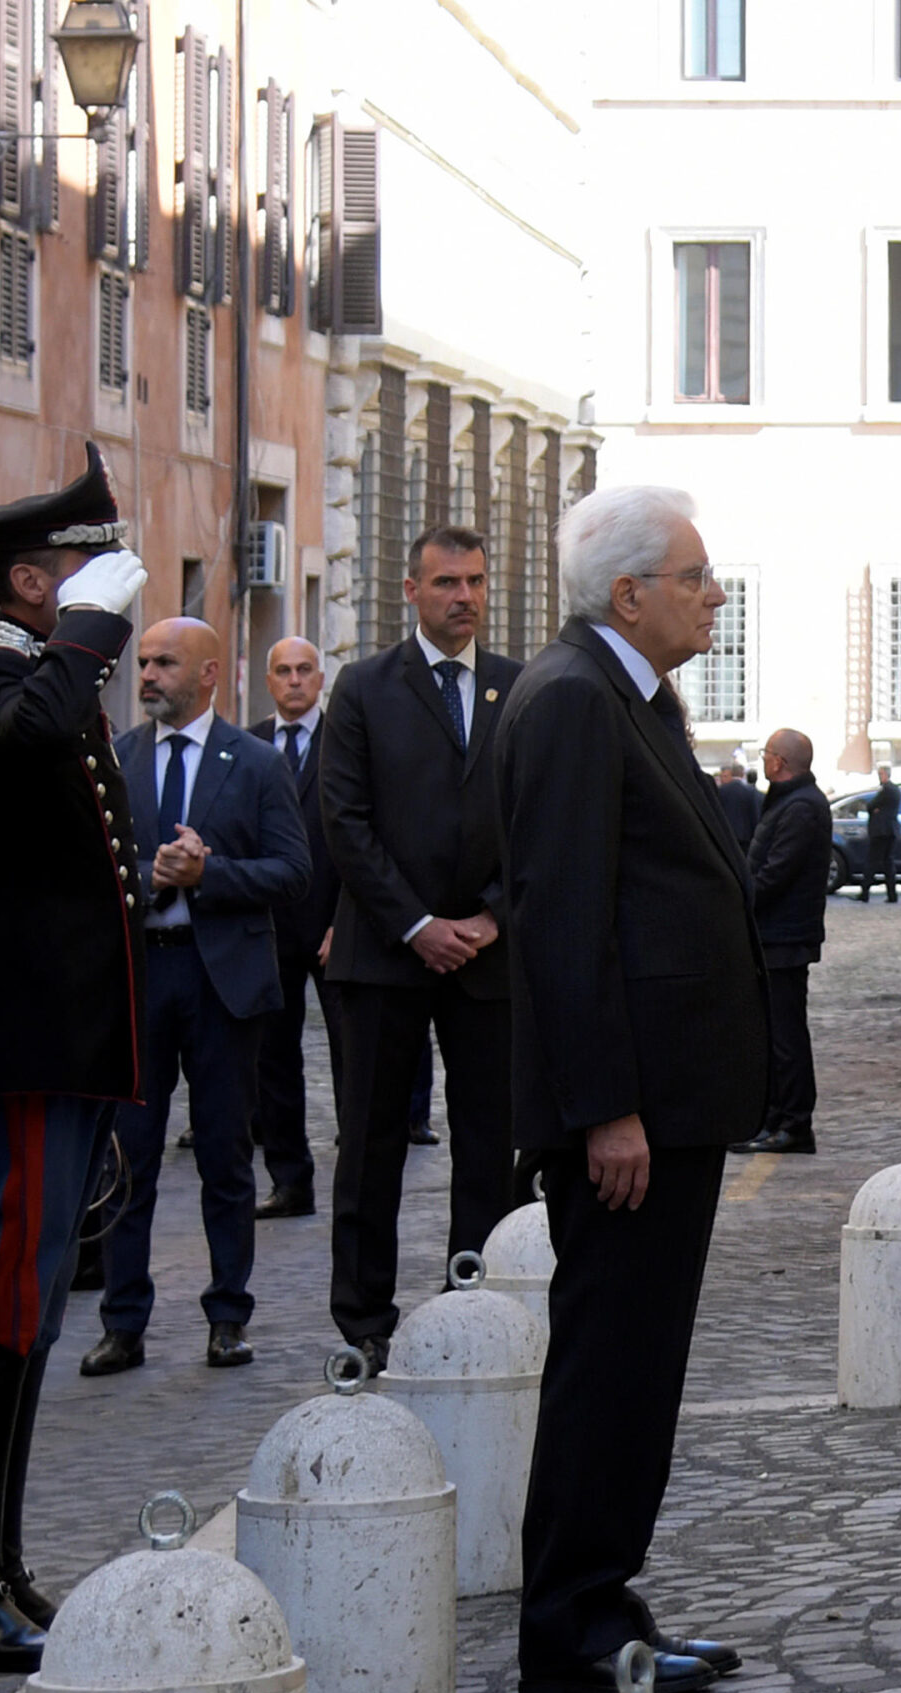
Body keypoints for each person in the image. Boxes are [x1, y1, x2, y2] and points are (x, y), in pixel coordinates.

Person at [498, 484, 764, 1693]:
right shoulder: (571, 699)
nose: (714, 595)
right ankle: (570, 1625)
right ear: (628, 593)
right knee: (610, 1368)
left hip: (670, 1102)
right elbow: (562, 920)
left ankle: (605, 1602)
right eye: (694, 577)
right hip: (631, 1115)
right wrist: (606, 1107)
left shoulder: (627, 694)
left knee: (637, 1369)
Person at [0, 448, 146, 1670]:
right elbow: (30, 737)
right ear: (32, 583)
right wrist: (89, 631)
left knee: (29, 1309)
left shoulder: (43, 679)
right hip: (25, 1048)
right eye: (81, 565)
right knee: (2, 1304)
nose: (106, 585)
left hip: (68, 1047)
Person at [318, 524, 524, 1372]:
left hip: (487, 956)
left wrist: (492, 918)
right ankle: (364, 1318)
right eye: (445, 582)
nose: (463, 596)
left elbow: (543, 817)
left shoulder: (521, 687)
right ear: (411, 590)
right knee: (371, 1142)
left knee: (489, 1140)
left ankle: (472, 1299)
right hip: (384, 954)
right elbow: (344, 821)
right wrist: (417, 926)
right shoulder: (363, 688)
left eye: (474, 580)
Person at [88, 618, 310, 1376]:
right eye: (145, 662)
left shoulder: (255, 762)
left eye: (164, 663)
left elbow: (292, 872)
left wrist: (207, 875)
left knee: (225, 1156)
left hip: (222, 986)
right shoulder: (119, 759)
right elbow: (96, 867)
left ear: (210, 673)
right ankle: (123, 1323)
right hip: (140, 979)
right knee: (129, 1161)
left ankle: (227, 1318)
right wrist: (152, 873)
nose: (147, 675)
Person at [250, 637, 338, 1221]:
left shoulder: (346, 741)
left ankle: (358, 1178)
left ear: (321, 678)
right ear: (269, 680)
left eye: (305, 670)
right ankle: (289, 1181)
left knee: (355, 1062)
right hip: (270, 928)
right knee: (273, 1062)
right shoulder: (248, 745)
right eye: (283, 671)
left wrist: (347, 921)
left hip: (335, 929)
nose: (295, 680)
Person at [735, 729, 830, 1155]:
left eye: (767, 753)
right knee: (774, 1035)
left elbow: (776, 873)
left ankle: (793, 1123)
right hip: (773, 936)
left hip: (785, 939)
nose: (764, 759)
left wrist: (738, 900)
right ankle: (774, 1118)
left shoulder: (801, 807)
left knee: (786, 1037)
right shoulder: (789, 801)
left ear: (780, 762)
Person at [859, 764, 901, 903]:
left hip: (880, 831)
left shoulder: (886, 790)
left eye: (881, 774)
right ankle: (892, 894)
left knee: (872, 862)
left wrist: (875, 809)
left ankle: (865, 892)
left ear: (886, 774)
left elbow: (871, 806)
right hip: (891, 830)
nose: (879, 776)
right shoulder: (895, 790)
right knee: (888, 863)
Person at [714, 760, 762, 849]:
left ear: (731, 773)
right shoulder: (751, 792)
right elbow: (755, 814)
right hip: (746, 837)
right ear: (743, 774)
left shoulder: (720, 791)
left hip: (726, 836)